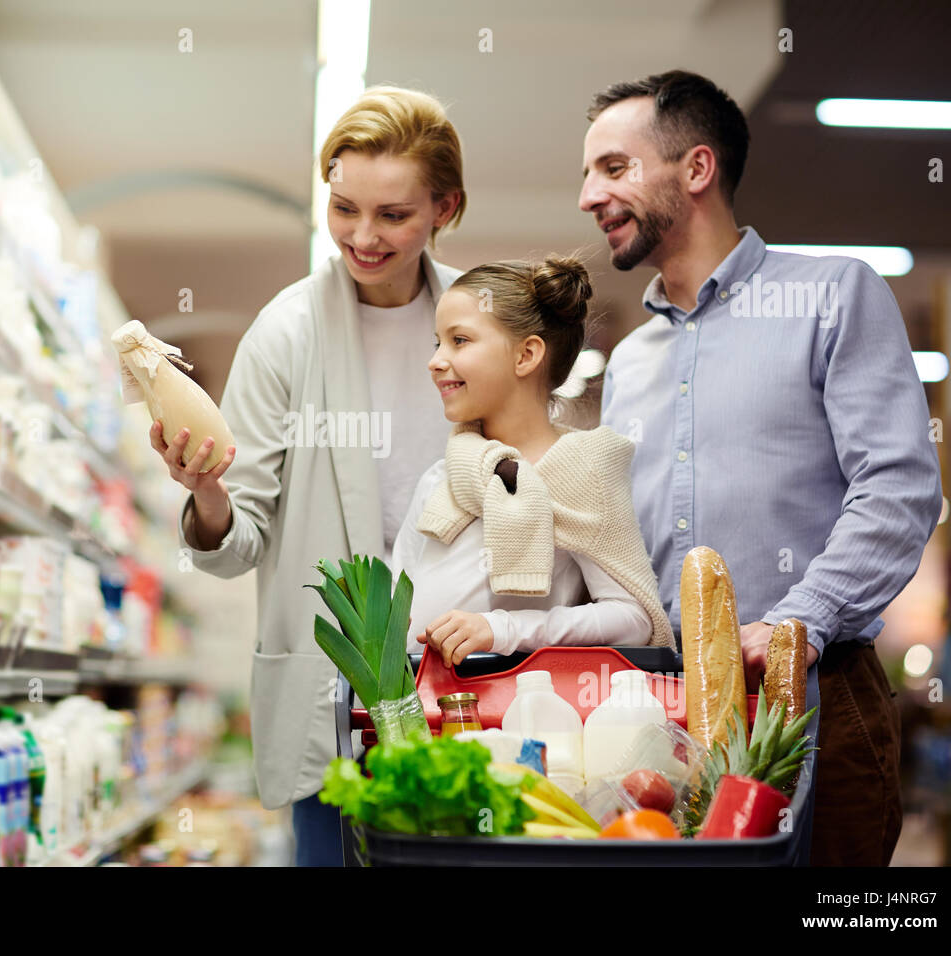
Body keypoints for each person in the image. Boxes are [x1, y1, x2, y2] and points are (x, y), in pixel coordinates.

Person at [578, 70, 942, 865]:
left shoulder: (833, 296)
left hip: (814, 703)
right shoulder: (631, 360)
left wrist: (797, 622)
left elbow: (900, 489)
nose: (587, 196)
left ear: (696, 169)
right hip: (664, 710)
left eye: (612, 168)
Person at [150, 86, 466, 866]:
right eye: (343, 207)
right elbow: (235, 544)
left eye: (393, 215)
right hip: (333, 694)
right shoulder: (286, 332)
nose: (362, 236)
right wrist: (209, 493)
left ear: (445, 208)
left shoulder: (481, 320)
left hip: (460, 670)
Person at [390, 255, 676, 664]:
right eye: (438, 342)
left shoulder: (582, 471)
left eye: (460, 340)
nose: (436, 360)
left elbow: (634, 617)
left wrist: (502, 628)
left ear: (526, 355)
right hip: (429, 714)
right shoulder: (441, 479)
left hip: (520, 714)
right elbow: (395, 614)